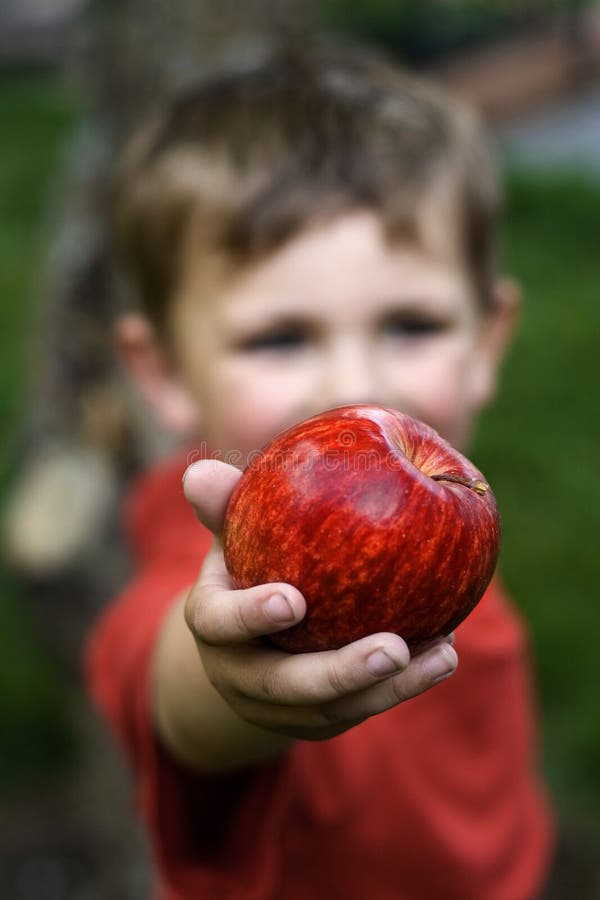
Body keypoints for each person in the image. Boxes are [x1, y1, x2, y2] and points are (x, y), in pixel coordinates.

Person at [86, 41, 555, 899]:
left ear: (487, 341)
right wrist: (236, 688)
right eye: (279, 338)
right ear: (160, 372)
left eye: (411, 324)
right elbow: (159, 671)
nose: (355, 385)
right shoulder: (222, 541)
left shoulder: (448, 517)